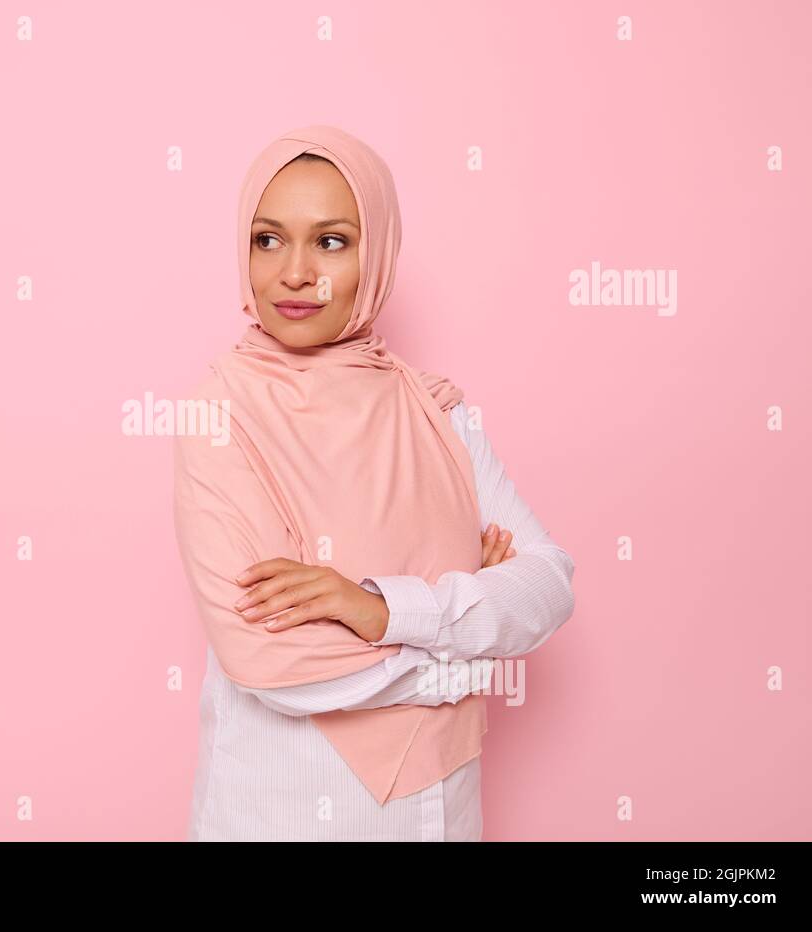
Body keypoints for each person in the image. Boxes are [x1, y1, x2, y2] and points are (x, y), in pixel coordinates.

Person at [171, 125, 576, 842]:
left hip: (441, 812)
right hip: (279, 813)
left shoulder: (434, 409)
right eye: (268, 239)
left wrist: (379, 609)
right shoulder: (218, 413)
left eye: (331, 241)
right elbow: (270, 663)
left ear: (376, 254)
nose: (294, 273)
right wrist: (463, 658)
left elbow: (549, 582)